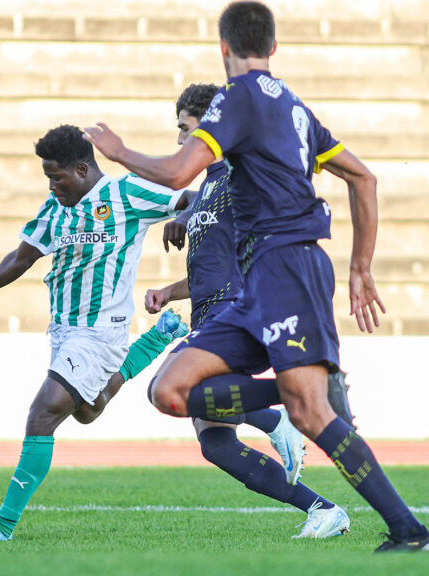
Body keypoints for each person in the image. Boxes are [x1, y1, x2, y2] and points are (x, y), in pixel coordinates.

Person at [83, 1, 429, 552]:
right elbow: (361, 179)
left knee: (311, 413)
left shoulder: (238, 99)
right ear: (273, 47)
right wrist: (360, 266)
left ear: (223, 48)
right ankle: (303, 391)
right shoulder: (293, 107)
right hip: (257, 279)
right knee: (170, 391)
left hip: (288, 263)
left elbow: (178, 170)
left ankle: (409, 531)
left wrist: (118, 150)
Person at [0, 125, 190, 542]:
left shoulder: (126, 194)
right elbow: (20, 258)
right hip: (63, 330)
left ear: (81, 169)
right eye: (47, 178)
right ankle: (157, 339)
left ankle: (1, 528)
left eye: (56, 177)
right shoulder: (55, 210)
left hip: (99, 332)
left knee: (43, 413)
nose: (52, 186)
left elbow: (194, 197)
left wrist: (181, 215)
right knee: (87, 410)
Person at [144, 82, 350, 539]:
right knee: (215, 443)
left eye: (186, 129)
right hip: (207, 312)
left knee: (168, 386)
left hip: (236, 312)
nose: (180, 140)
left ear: (210, 127)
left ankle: (279, 414)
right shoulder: (207, 188)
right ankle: (322, 509)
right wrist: (169, 290)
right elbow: (214, 259)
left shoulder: (241, 176)